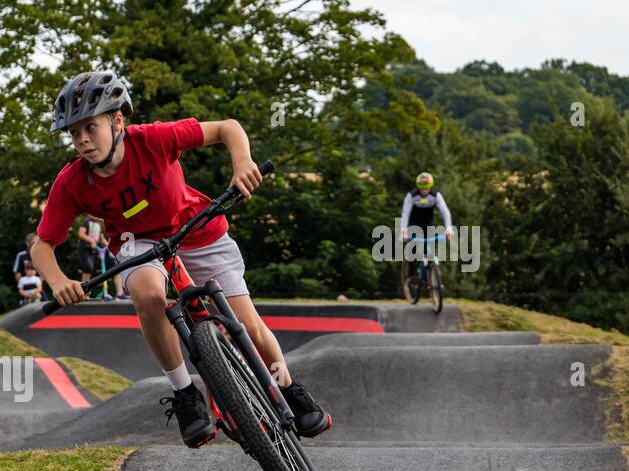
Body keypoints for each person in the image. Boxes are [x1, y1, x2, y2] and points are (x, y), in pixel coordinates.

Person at [30, 70, 331, 448]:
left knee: (249, 327)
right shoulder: (72, 182)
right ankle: (186, 394)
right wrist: (58, 281)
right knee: (149, 295)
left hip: (198, 229)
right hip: (139, 242)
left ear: (117, 119)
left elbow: (228, 128)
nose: (82, 140)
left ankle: (287, 389)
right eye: (74, 134)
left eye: (90, 127)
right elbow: (42, 245)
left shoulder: (155, 138)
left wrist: (242, 164)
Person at [399, 172, 454, 296]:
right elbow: (405, 213)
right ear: (418, 186)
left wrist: (449, 229)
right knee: (412, 251)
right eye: (422, 188)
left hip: (428, 226)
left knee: (428, 252)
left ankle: (431, 272)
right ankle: (412, 277)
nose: (424, 191)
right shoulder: (411, 196)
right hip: (413, 226)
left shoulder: (436, 196)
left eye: (427, 188)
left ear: (430, 186)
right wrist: (403, 231)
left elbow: (445, 212)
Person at [75, 215, 114, 300]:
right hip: (84, 248)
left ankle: (85, 292)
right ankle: (81, 291)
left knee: (90, 269)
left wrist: (109, 245)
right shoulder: (87, 221)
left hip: (91, 250)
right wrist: (91, 240)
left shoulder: (98, 224)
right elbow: (81, 233)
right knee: (88, 267)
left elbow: (101, 238)